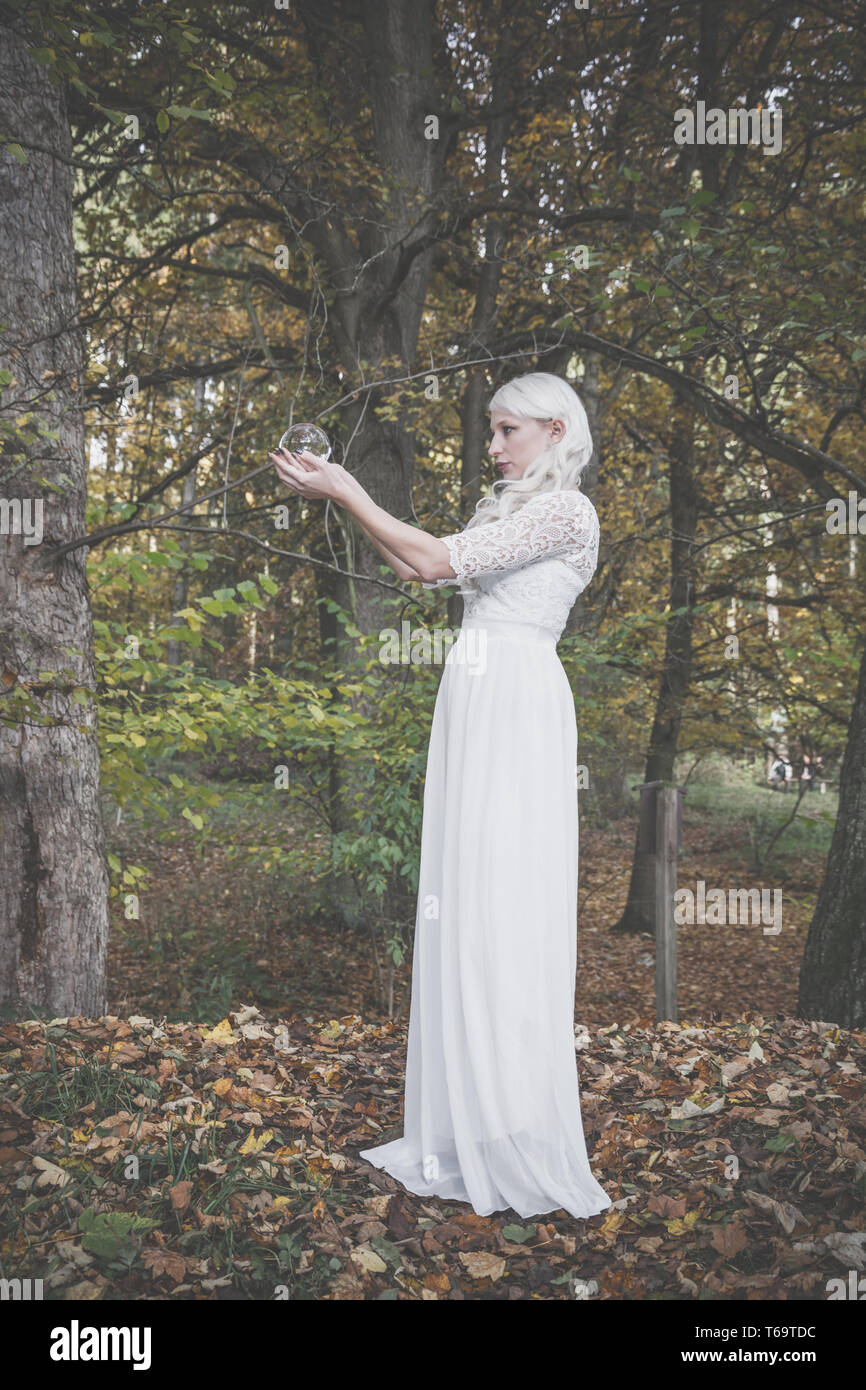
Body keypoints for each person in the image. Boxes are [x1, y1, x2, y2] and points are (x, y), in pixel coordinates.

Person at [271, 371, 612, 1221]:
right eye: (490, 431)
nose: (492, 447)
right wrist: (342, 500)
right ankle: (467, 1121)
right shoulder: (507, 511)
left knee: (504, 899)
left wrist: (348, 485)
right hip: (475, 697)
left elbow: (432, 557)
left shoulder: (568, 512)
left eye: (506, 430)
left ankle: (513, 1124)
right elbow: (422, 572)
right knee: (463, 899)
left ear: (556, 429)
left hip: (517, 702)